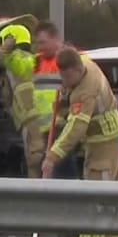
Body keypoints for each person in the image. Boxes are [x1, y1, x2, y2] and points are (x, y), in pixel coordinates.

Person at [43, 47, 118, 237]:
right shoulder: (85, 64)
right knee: (109, 185)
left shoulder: (85, 91)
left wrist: (52, 156)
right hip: (105, 135)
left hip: (105, 137)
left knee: (97, 184)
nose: (63, 81)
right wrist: (64, 94)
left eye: (65, 77)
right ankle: (111, 233)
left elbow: (77, 127)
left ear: (75, 70)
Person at [0, 23, 46, 178]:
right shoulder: (16, 66)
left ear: (11, 40)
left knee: (36, 162)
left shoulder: (22, 59)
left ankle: (40, 198)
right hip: (31, 122)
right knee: (34, 163)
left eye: (2, 42)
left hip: (36, 123)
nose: (1, 46)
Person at [32, 21, 79, 179]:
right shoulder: (36, 62)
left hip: (62, 127)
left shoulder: (72, 61)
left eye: (43, 42)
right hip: (43, 130)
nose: (40, 47)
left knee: (63, 174)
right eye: (38, 43)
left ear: (56, 39)